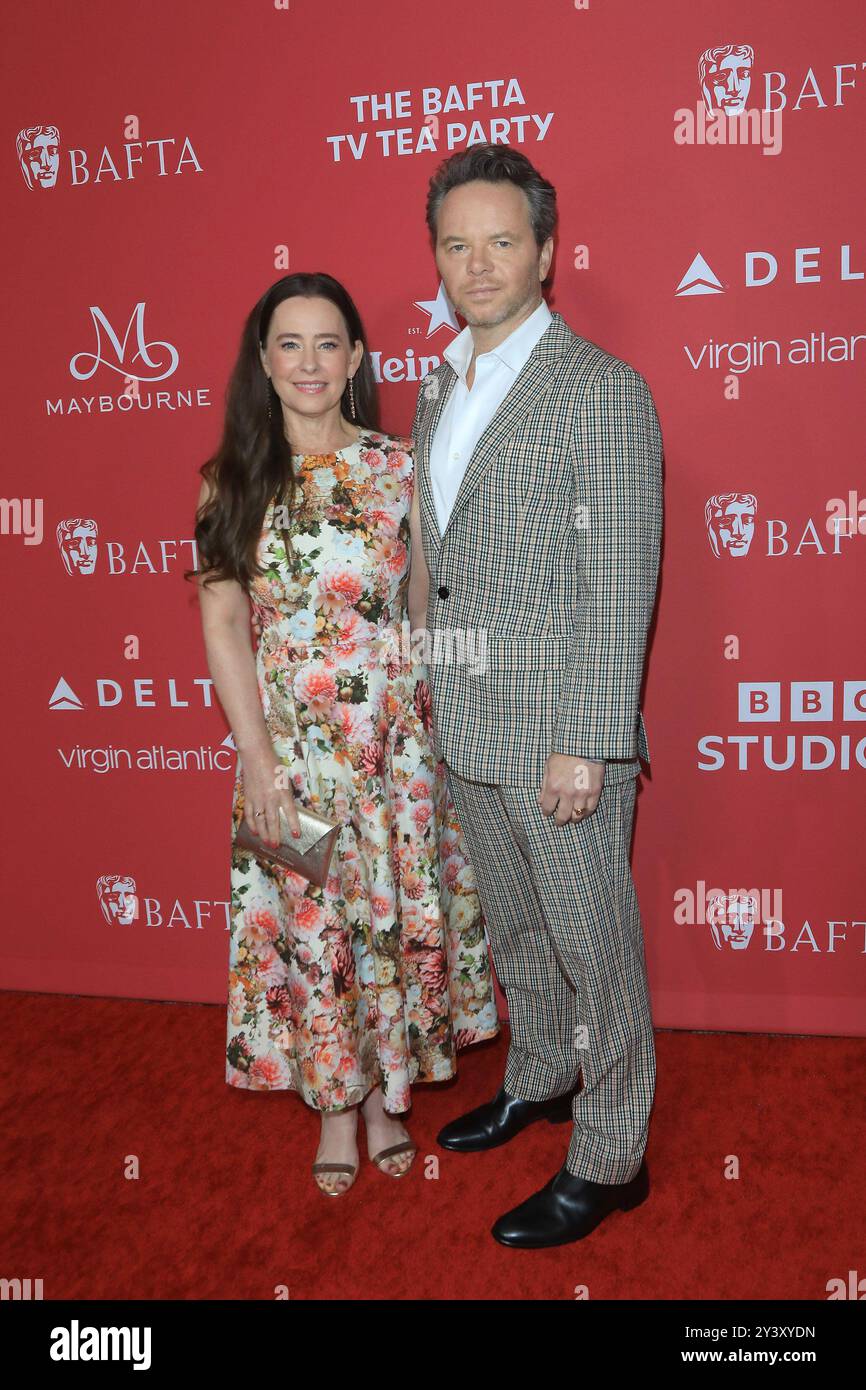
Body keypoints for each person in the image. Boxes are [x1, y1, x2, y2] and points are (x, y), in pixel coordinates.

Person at [189, 272, 499, 1197]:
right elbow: (222, 624)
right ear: (263, 361)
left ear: (357, 356)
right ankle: (337, 1103)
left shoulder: (399, 466)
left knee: (387, 921)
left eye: (329, 343)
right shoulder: (228, 481)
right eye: (290, 344)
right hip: (289, 756)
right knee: (315, 926)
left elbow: (420, 610)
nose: (310, 362)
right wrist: (257, 761)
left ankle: (383, 1098)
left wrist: (440, 724)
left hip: (396, 754)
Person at [407, 145, 664, 1248]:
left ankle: (611, 1154)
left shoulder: (601, 390)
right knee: (517, 933)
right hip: (467, 724)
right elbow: (438, 558)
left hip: (560, 736)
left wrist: (587, 741)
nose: (477, 264)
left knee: (594, 950)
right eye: (456, 244)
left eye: (501, 241)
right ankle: (543, 1075)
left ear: (547, 252)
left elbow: (619, 581)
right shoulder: (438, 383)